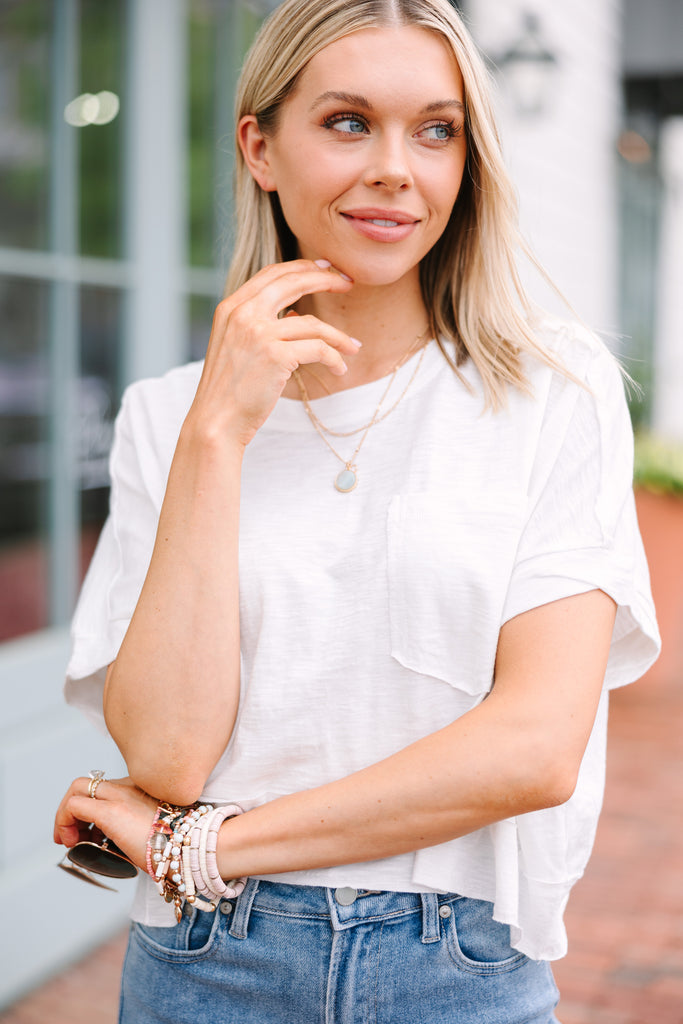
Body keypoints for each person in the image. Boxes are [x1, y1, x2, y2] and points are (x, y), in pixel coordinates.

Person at [54, 1, 660, 1021]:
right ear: (259, 146)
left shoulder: (553, 391)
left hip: (454, 965)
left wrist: (202, 842)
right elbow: (165, 755)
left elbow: (534, 745)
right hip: (206, 967)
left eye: (434, 129)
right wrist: (218, 437)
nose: (395, 168)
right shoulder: (168, 416)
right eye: (347, 122)